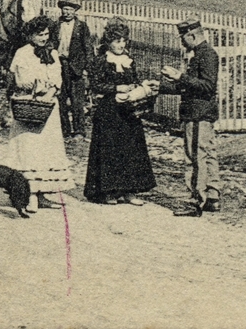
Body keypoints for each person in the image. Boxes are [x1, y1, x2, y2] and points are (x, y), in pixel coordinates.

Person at [83, 18, 157, 205]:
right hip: (108, 111)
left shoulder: (129, 60)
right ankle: (109, 191)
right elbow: (96, 85)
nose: (121, 45)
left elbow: (135, 79)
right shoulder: (101, 60)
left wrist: (138, 88)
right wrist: (117, 88)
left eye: (124, 41)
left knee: (130, 149)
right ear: (109, 42)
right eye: (117, 41)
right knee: (110, 150)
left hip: (128, 111)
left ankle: (129, 191)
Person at [7, 15, 73, 212]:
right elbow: (20, 79)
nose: (44, 38)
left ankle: (43, 192)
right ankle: (30, 194)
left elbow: (57, 78)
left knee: (47, 150)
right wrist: (34, 87)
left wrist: (50, 92)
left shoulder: (52, 53)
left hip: (47, 107)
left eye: (46, 34)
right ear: (30, 35)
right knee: (29, 150)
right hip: (28, 105)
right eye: (39, 34)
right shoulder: (22, 53)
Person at [161, 17, 220, 216]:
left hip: (197, 114)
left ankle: (195, 201)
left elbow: (207, 86)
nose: (181, 42)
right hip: (202, 113)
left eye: (182, 38)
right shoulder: (200, 55)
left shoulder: (206, 55)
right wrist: (161, 87)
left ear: (192, 35)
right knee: (207, 154)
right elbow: (190, 85)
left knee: (195, 157)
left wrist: (180, 76)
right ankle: (212, 197)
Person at [49, 0, 94, 138]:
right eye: (65, 9)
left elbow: (88, 48)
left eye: (70, 9)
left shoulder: (81, 26)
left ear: (75, 11)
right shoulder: (55, 25)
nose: (67, 12)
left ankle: (79, 130)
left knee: (77, 101)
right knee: (61, 99)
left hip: (76, 67)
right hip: (60, 65)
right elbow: (50, 44)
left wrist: (87, 68)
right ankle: (64, 130)